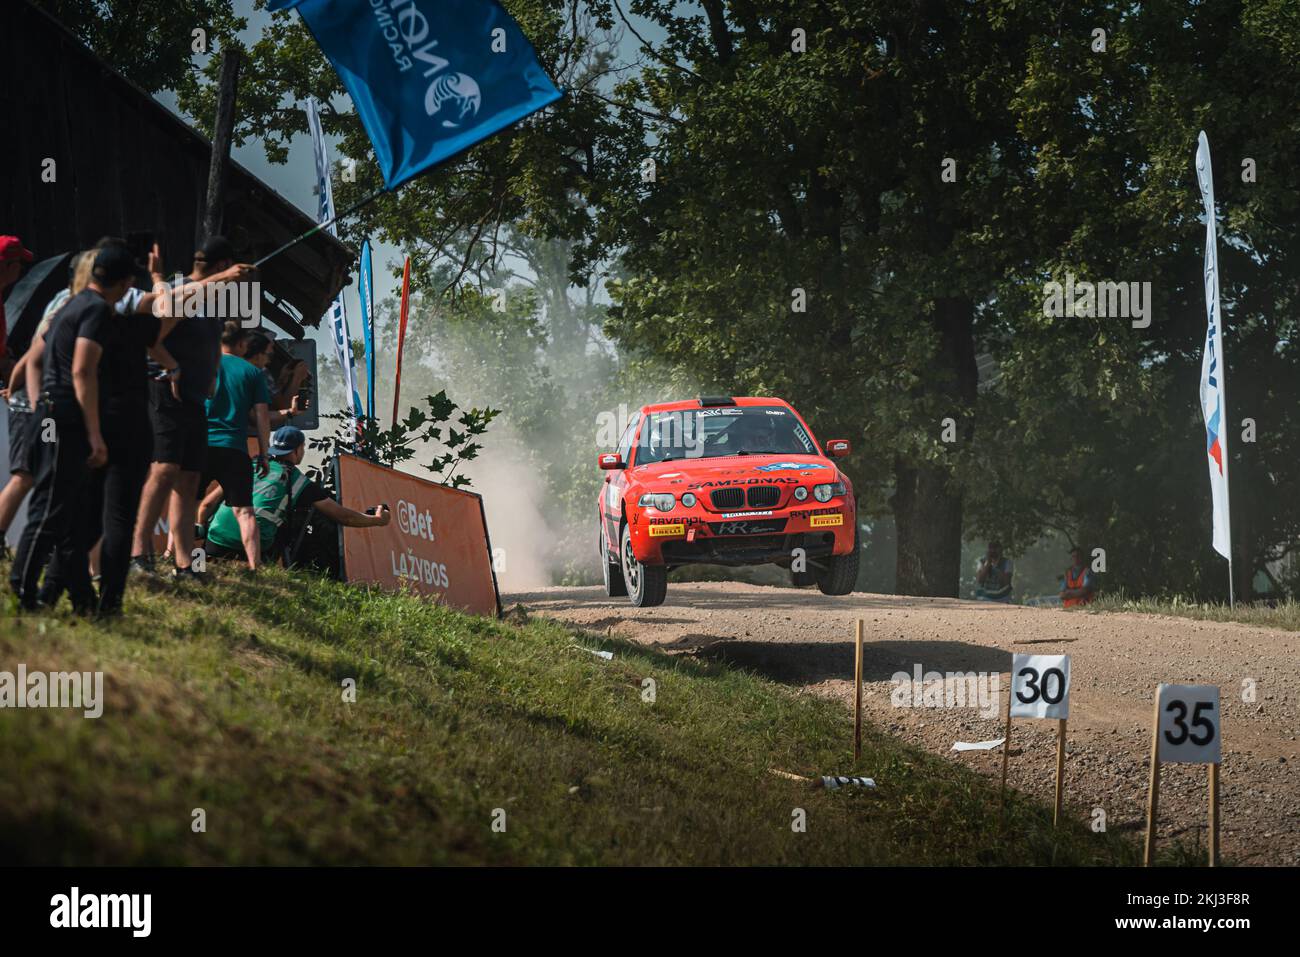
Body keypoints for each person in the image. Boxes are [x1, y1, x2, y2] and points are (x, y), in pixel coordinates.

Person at [8, 245, 136, 610]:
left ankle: (79, 598)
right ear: (125, 283)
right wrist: (95, 435)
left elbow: (35, 357)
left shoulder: (69, 304)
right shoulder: (95, 309)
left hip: (50, 413)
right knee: (50, 510)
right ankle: (22, 590)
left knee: (64, 513)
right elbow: (82, 370)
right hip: (65, 417)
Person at [129, 236, 255, 580]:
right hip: (165, 392)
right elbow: (153, 335)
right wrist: (172, 367)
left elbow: (211, 344)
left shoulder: (212, 304)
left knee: (188, 480)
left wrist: (212, 376)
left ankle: (184, 564)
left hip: (196, 400)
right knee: (163, 469)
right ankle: (139, 552)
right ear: (220, 267)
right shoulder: (181, 291)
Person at [204, 426, 389, 573]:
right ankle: (259, 571)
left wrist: (200, 529)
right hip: (253, 546)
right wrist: (377, 520)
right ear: (297, 450)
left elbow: (207, 504)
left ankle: (194, 567)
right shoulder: (297, 480)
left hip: (216, 538)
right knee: (280, 530)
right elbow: (342, 516)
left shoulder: (248, 465)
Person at [198, 326, 271, 570]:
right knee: (245, 512)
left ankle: (173, 554)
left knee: (186, 504)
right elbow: (262, 416)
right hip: (235, 449)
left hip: (201, 445)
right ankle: (254, 565)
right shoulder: (252, 372)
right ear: (241, 345)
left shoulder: (205, 364)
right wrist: (264, 452)